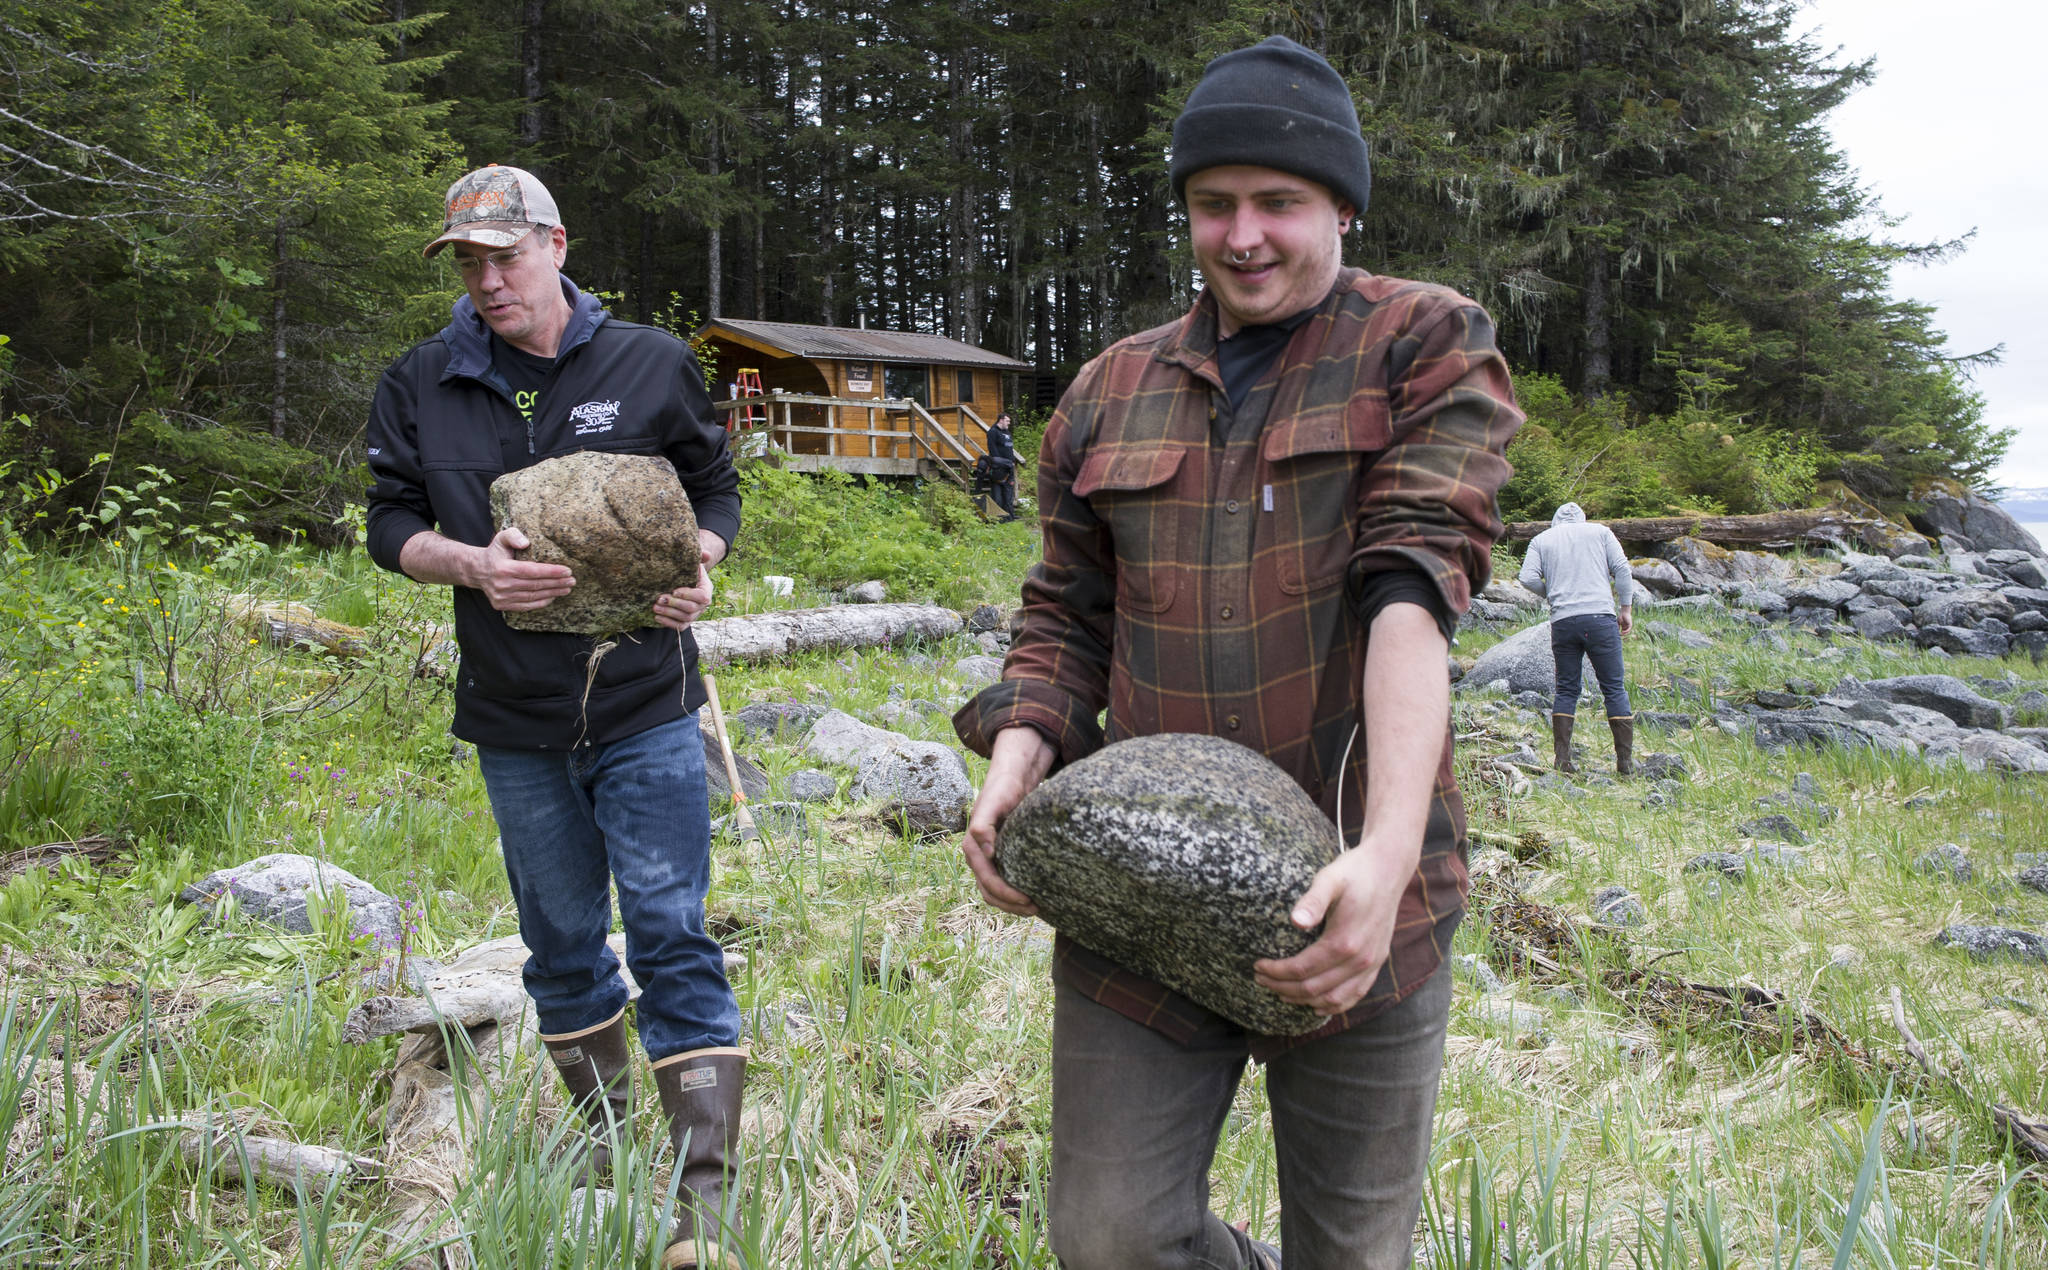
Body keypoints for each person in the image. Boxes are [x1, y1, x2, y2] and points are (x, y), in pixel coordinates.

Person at [952, 37, 1521, 1270]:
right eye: (1214, 204)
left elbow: (1412, 584)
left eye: (1278, 202)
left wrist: (1378, 856)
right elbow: (1061, 611)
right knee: (1107, 1239)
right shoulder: (1107, 390)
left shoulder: (1423, 343)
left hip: (1366, 899)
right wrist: (1016, 755)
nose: (1243, 234)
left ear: (1342, 205)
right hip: (1135, 890)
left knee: (1354, 1254)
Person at [365, 164, 746, 1270]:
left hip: (645, 700)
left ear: (557, 245)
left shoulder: (649, 364)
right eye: (468, 262)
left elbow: (713, 489)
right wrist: (471, 565)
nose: (489, 280)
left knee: (671, 929)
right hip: (514, 715)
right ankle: (603, 1153)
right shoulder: (422, 380)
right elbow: (389, 523)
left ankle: (701, 1205)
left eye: (506, 255)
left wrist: (701, 564)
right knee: (562, 945)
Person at [1517, 502, 1635, 775]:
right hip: (1600, 620)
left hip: (1564, 622)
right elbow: (1622, 570)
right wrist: (1626, 609)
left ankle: (1563, 761)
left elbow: (1526, 578)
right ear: (1583, 518)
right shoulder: (1601, 533)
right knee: (1614, 689)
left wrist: (1551, 592)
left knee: (1567, 689)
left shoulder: (1541, 540)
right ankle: (1625, 766)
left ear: (1555, 520)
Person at [983, 410, 1019, 521]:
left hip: (1009, 467)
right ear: (1001, 420)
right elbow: (993, 450)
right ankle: (998, 517)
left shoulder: (1007, 432)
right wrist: (1000, 464)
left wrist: (1012, 462)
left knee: (1008, 493)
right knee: (997, 495)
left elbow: (1009, 449)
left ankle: (1010, 516)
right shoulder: (993, 432)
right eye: (1007, 421)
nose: (1009, 423)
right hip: (998, 468)